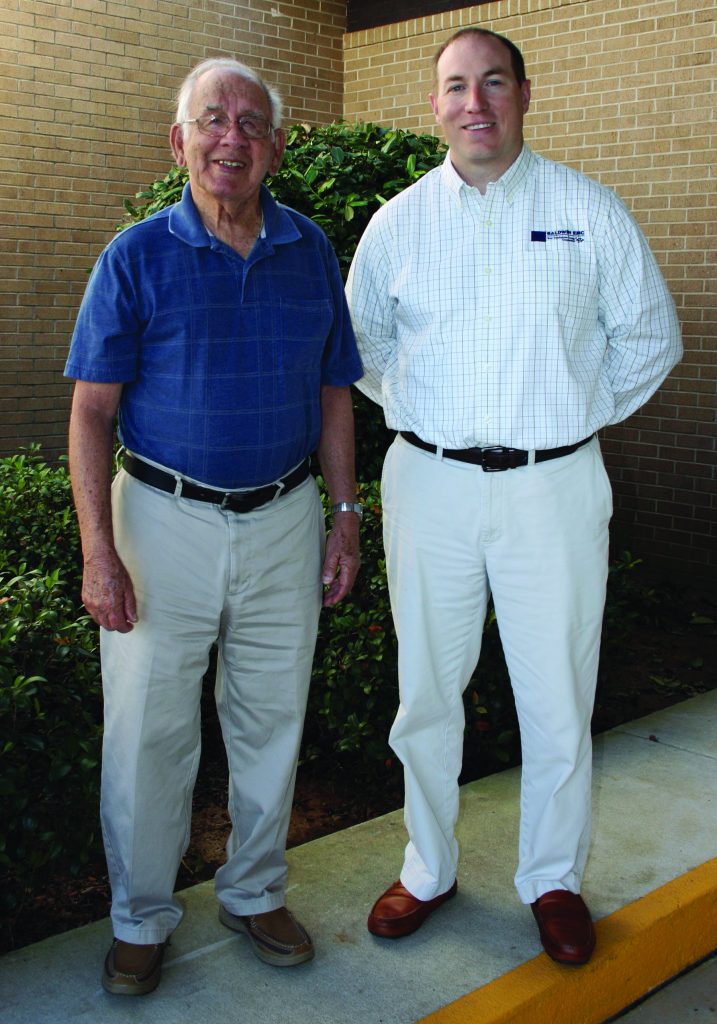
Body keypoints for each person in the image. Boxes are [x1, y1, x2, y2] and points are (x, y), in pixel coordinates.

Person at [346, 27, 682, 965]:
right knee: (425, 694)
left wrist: (569, 415)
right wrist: (428, 420)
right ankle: (428, 867)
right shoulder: (396, 224)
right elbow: (360, 352)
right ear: (434, 106)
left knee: (557, 694)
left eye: (492, 82)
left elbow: (650, 337)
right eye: (455, 86)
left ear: (524, 95)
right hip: (429, 483)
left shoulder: (589, 209)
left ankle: (552, 879)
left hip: (556, 487)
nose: (475, 103)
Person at [65, 56, 363, 996]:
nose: (230, 136)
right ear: (180, 141)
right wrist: (98, 552)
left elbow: (333, 391)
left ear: (274, 146)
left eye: (248, 122)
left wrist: (344, 517)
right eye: (211, 119)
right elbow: (89, 414)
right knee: (150, 733)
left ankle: (253, 890)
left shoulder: (310, 247)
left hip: (282, 517)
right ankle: (141, 917)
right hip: (161, 520)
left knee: (272, 718)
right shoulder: (135, 257)